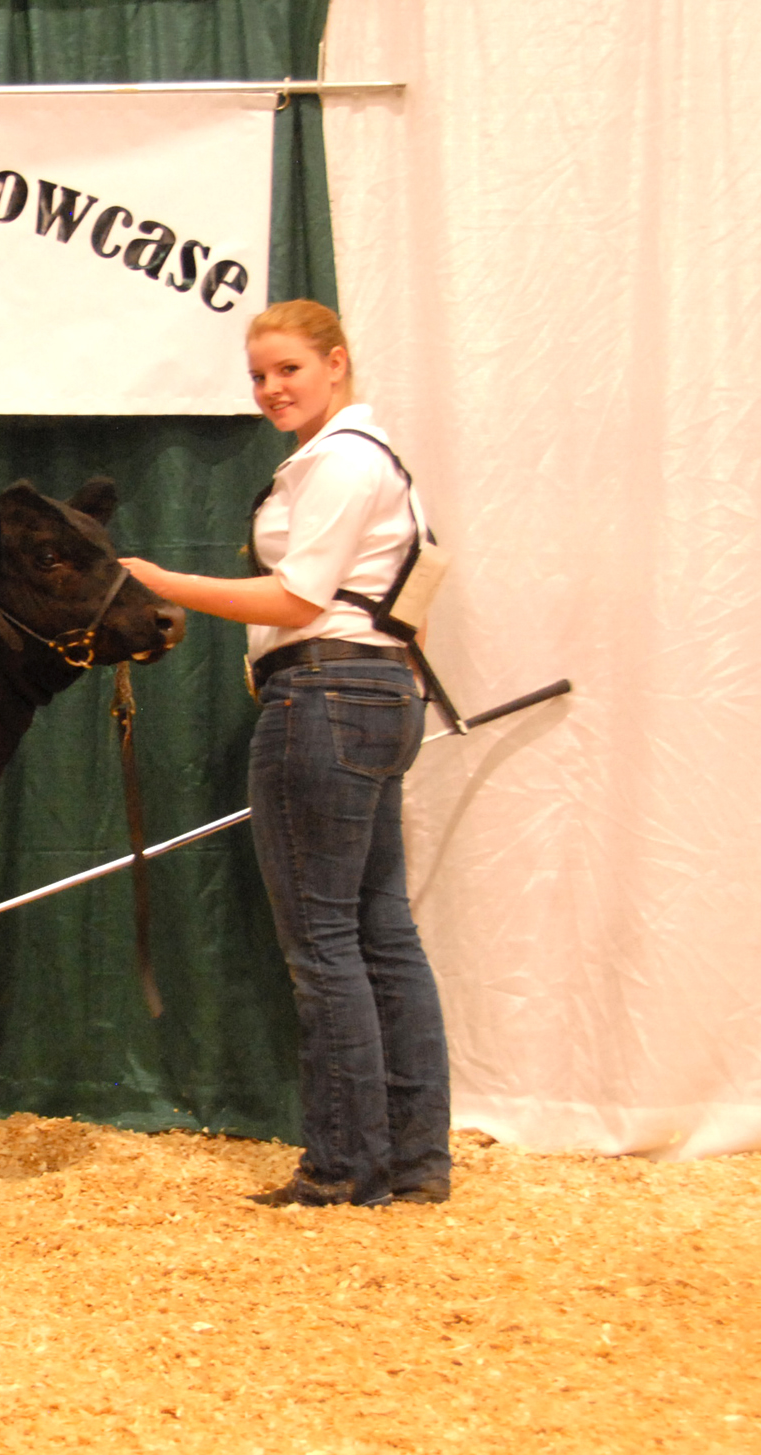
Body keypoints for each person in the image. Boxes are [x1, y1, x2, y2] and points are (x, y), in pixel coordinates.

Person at [120, 299, 451, 1207]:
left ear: (336, 363)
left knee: (325, 943)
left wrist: (159, 583)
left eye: (289, 369)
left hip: (325, 696)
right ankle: (413, 1160)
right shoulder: (373, 458)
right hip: (380, 692)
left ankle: (344, 1167)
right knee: (382, 932)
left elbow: (300, 598)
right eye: (258, 375)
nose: (270, 389)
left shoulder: (340, 461)